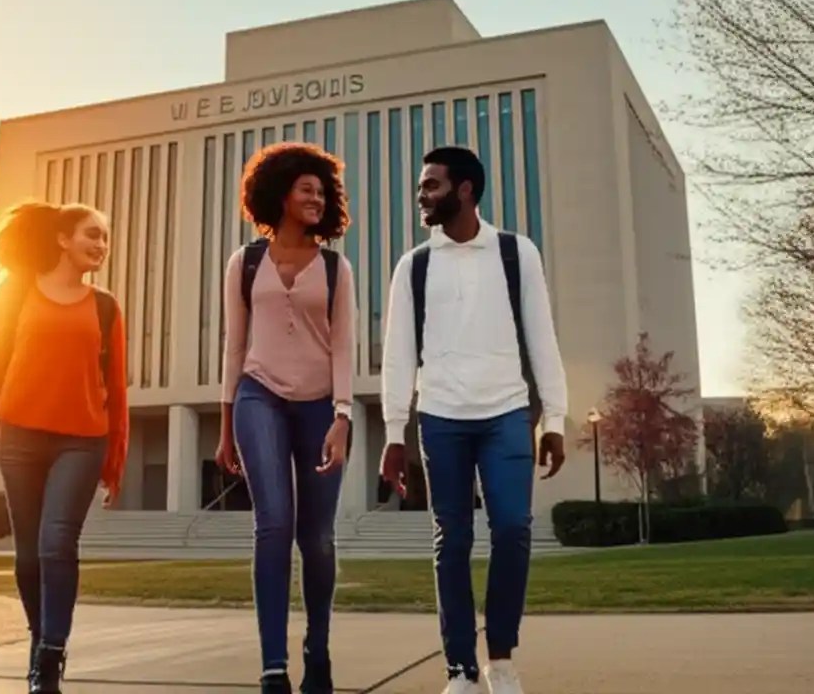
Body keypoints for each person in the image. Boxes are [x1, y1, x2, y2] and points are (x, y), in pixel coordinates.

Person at [379, 147, 568, 694]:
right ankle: (460, 668)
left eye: (431, 186)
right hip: (440, 418)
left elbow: (542, 336)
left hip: (507, 413)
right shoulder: (413, 266)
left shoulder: (515, 253)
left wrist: (553, 415)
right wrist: (395, 434)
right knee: (452, 539)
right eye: (421, 186)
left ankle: (501, 660)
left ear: (465, 191)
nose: (422, 195)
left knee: (512, 529)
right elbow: (397, 354)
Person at [0, 201, 128, 694]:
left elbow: (116, 390)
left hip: (82, 440)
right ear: (61, 239)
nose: (100, 245)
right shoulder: (13, 298)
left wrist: (114, 461)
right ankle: (40, 643)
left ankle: (51, 658)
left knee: (57, 543)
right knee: (29, 556)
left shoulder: (105, 306)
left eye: (104, 237)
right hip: (20, 439)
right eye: (90, 234)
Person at [217, 142, 356, 694]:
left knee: (317, 537)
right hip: (260, 396)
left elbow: (345, 347)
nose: (317, 198)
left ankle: (316, 651)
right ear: (278, 193)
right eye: (307, 189)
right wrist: (226, 423)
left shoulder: (335, 266)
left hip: (321, 404)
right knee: (273, 524)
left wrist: (343, 417)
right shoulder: (245, 261)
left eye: (323, 191)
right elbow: (234, 345)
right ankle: (273, 667)